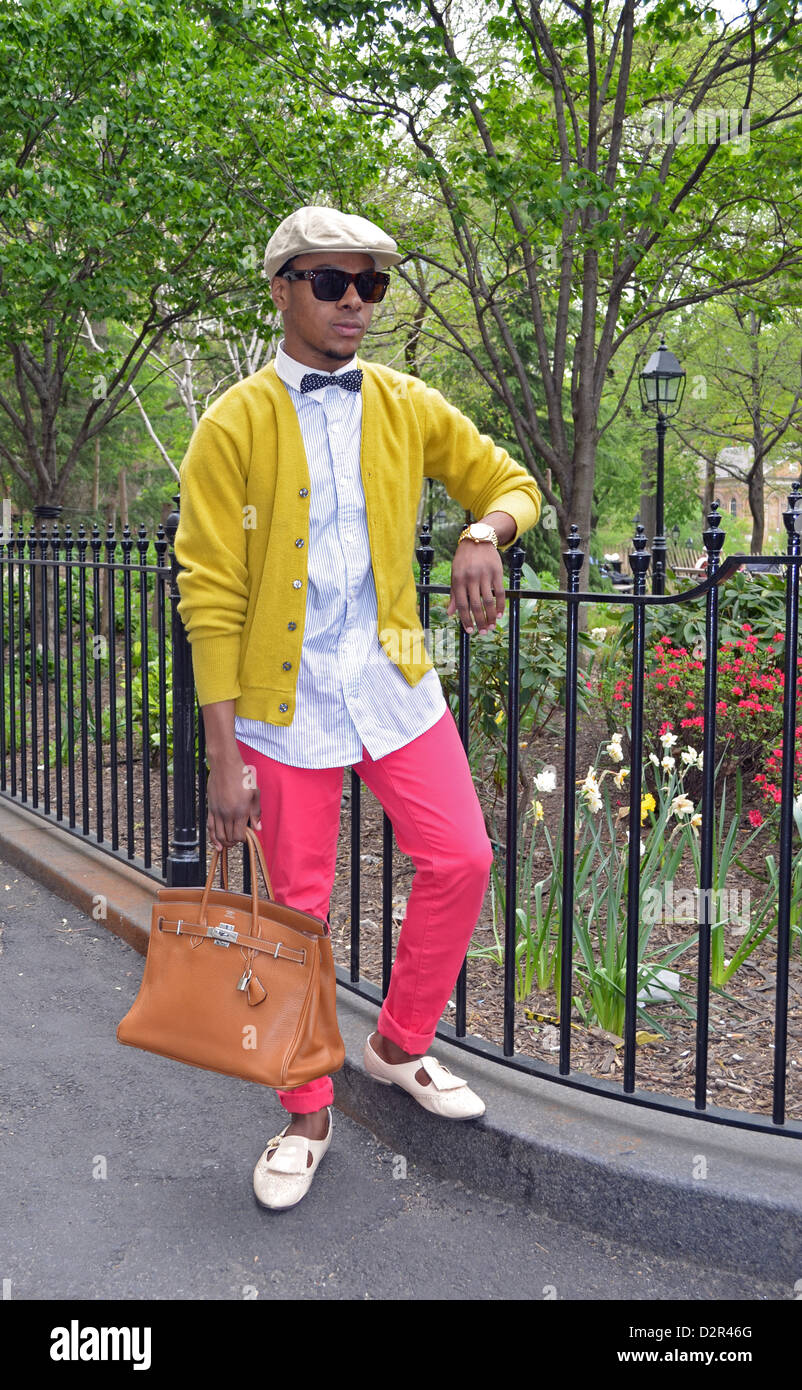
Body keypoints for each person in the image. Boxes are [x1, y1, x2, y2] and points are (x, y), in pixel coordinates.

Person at [174, 206, 541, 1210]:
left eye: (371, 286)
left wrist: (482, 531)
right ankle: (305, 1109)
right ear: (283, 285)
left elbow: (509, 481)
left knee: (461, 856)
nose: (355, 304)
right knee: (296, 912)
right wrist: (222, 758)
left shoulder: (405, 403)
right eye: (333, 282)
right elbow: (207, 590)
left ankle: (397, 1045)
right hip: (280, 707)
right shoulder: (233, 424)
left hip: (394, 683)